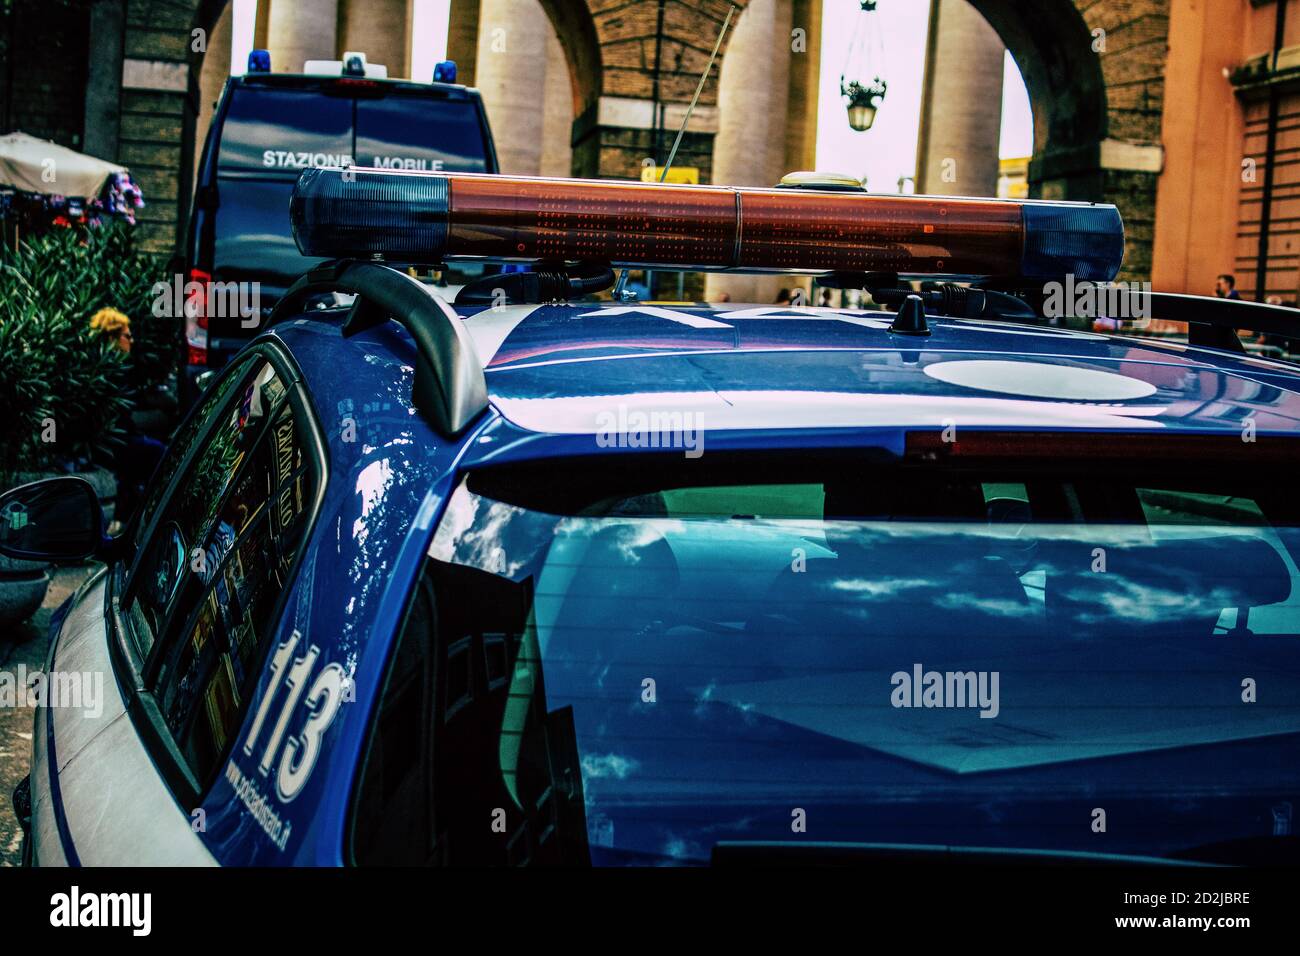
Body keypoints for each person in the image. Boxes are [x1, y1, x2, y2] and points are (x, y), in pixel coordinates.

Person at [90, 307, 167, 533]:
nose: (131, 341)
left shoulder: (112, 368)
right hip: (114, 445)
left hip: (116, 442)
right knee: (160, 455)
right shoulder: (108, 372)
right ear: (112, 338)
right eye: (127, 335)